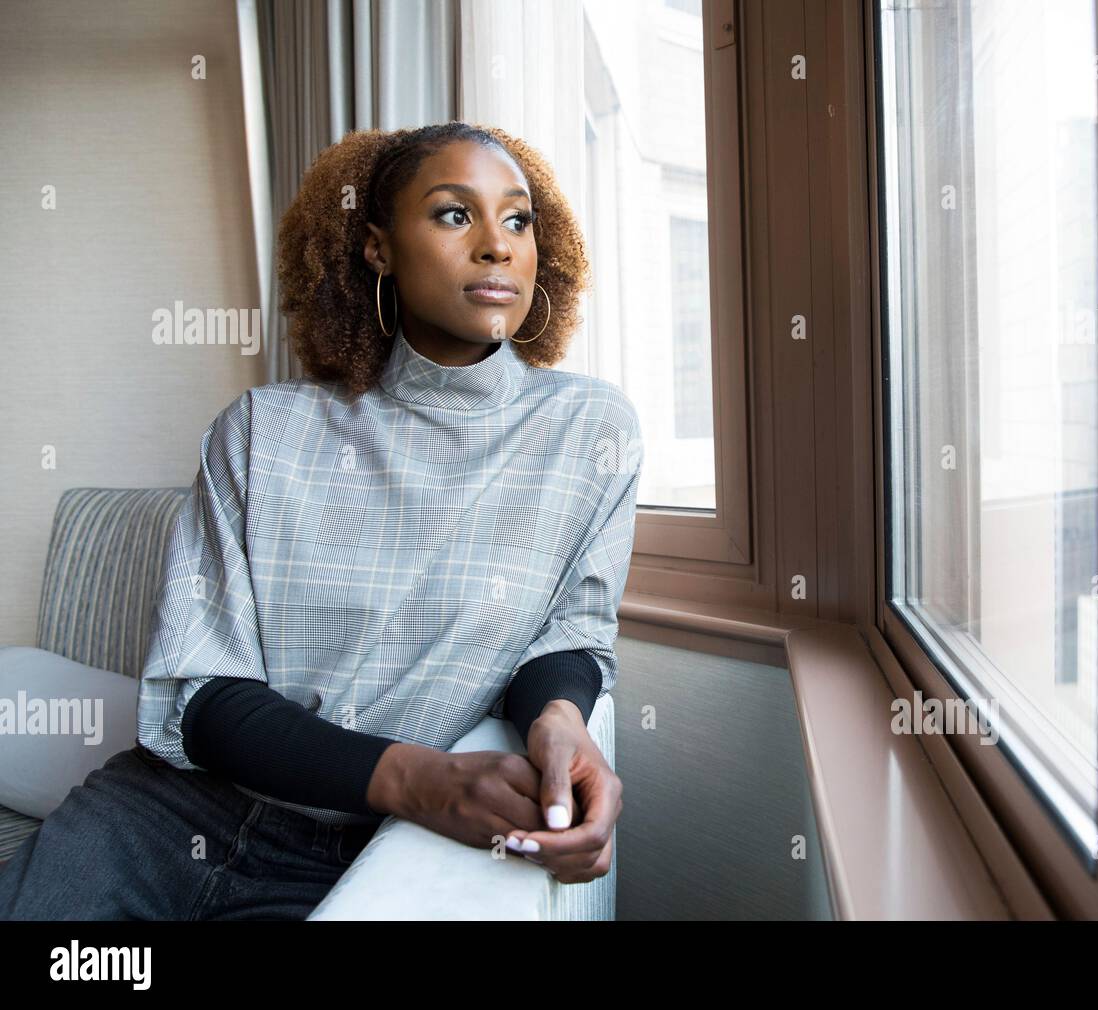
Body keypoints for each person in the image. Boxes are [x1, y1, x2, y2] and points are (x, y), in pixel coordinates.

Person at [0, 122, 642, 920]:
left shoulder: (590, 432)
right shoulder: (260, 431)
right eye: (453, 215)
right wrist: (425, 781)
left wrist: (558, 718)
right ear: (377, 249)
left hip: (373, 850)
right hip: (167, 817)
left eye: (517, 220)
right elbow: (207, 700)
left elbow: (569, 636)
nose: (497, 246)